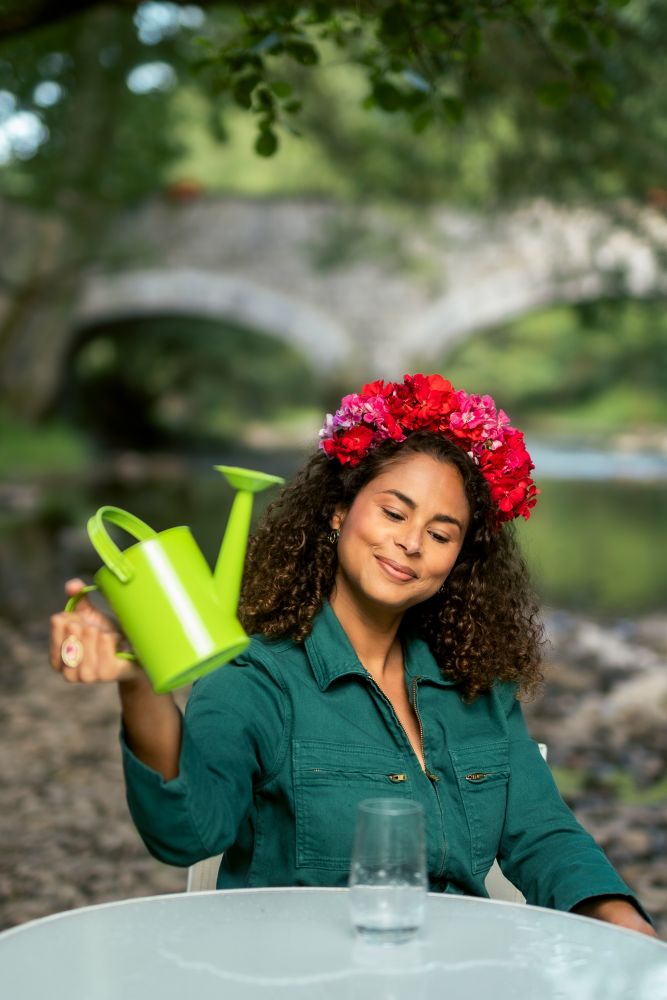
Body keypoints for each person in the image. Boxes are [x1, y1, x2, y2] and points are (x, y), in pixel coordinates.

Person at [49, 373, 655, 936]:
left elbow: (545, 838)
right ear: (339, 512)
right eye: (394, 511)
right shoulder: (256, 675)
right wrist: (138, 684)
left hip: (464, 974)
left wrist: (633, 936)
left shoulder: (477, 686)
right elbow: (186, 831)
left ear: (458, 561)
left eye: (441, 534)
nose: (411, 543)